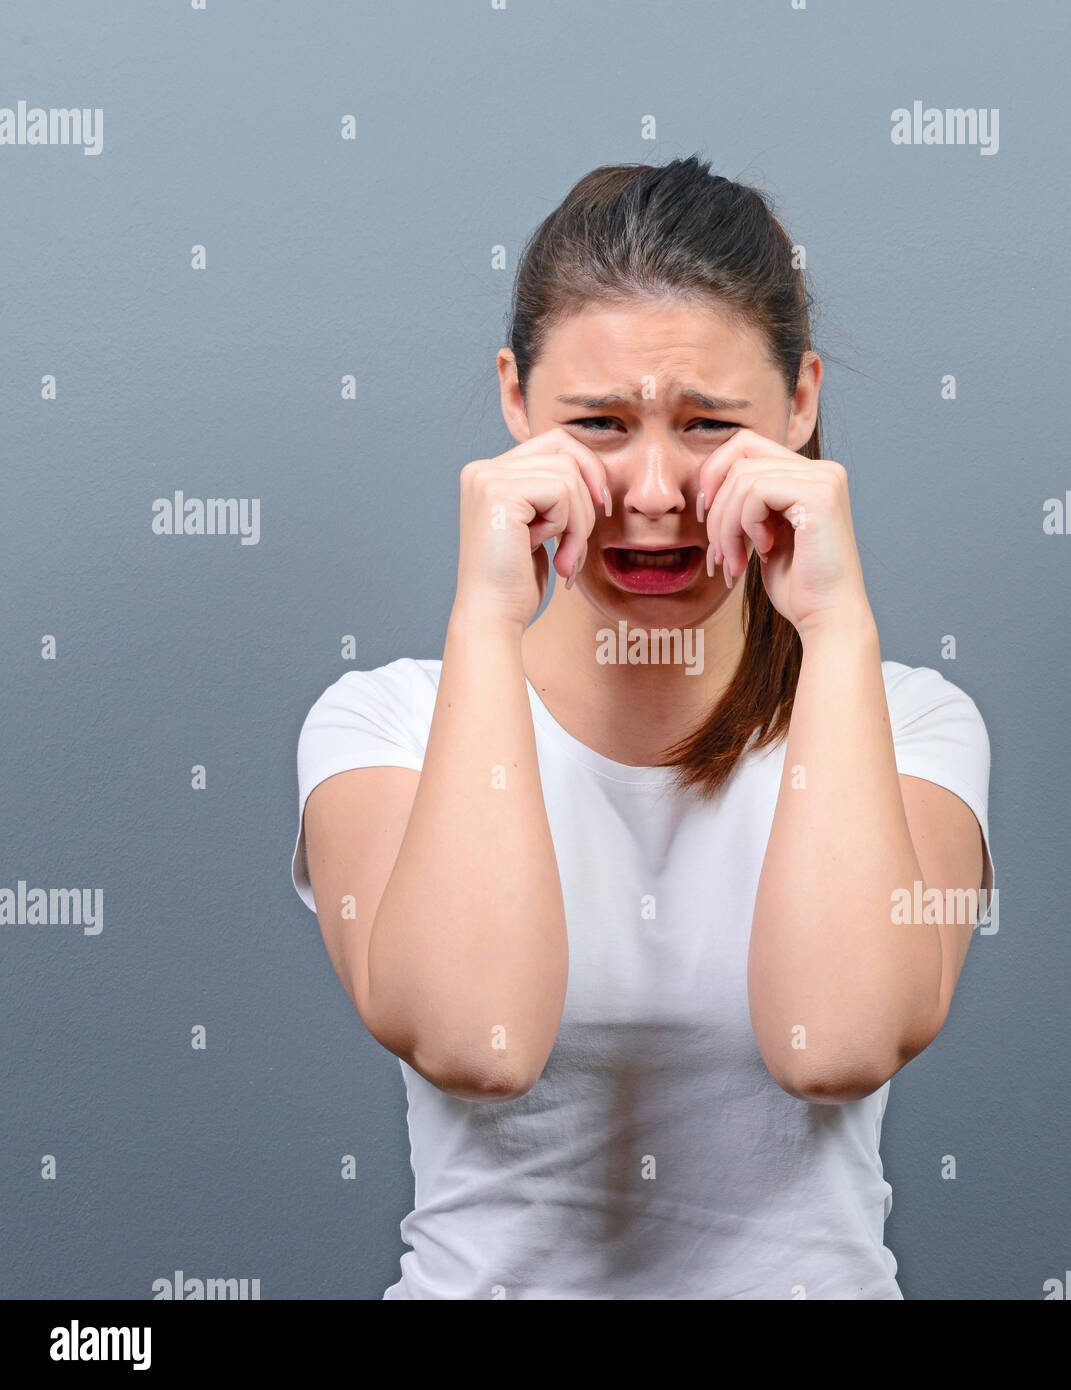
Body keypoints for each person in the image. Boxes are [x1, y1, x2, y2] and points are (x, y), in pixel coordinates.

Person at [289, 156, 995, 1299]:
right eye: (599, 424)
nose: (656, 489)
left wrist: (838, 625)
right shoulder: (383, 725)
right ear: (515, 403)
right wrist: (485, 616)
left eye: (712, 422)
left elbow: (836, 1045)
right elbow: (482, 1042)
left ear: (801, 405)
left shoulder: (908, 721)